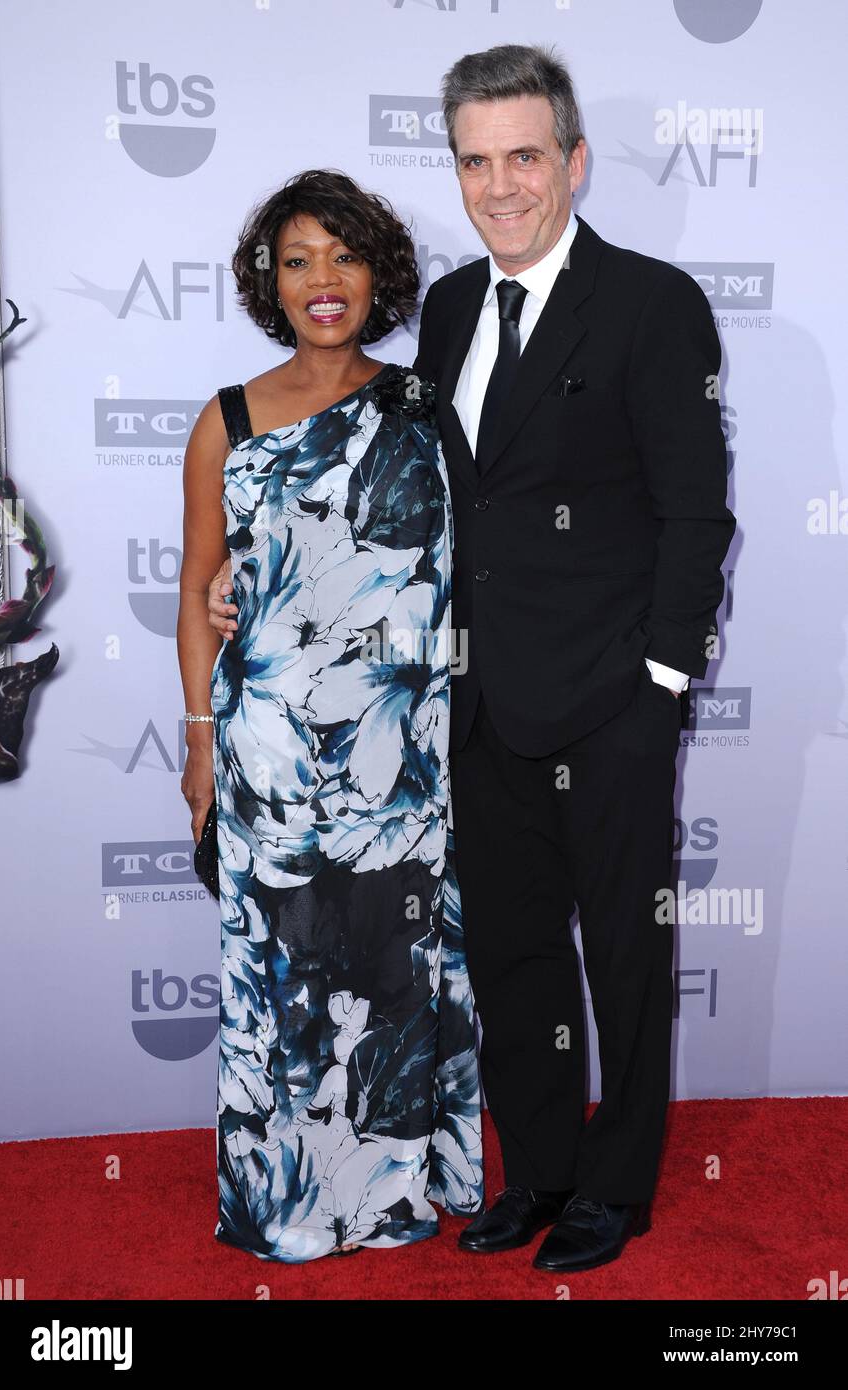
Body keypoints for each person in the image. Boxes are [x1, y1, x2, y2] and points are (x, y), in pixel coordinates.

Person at [209, 45, 736, 1276]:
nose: (502, 186)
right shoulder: (446, 312)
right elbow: (385, 495)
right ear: (456, 170)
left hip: (611, 700)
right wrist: (256, 569)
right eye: (476, 161)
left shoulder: (655, 305)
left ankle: (616, 1186)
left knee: (623, 956)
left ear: (573, 162)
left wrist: (661, 684)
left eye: (526, 157)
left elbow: (696, 511)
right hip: (472, 703)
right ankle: (542, 1168)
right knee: (510, 956)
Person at [177, 168, 483, 1264]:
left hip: (396, 752)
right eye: (298, 259)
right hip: (266, 750)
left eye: (344, 257)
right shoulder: (226, 420)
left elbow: (463, 561)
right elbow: (197, 589)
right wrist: (200, 746)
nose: (323, 281)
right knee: (284, 984)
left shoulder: (423, 403)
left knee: (394, 974)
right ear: (272, 279)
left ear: (377, 274)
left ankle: (395, 1195)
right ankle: (289, 1202)